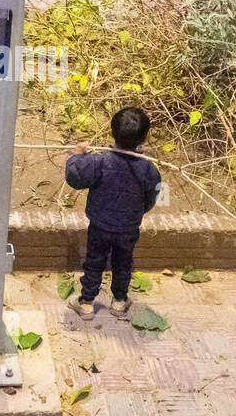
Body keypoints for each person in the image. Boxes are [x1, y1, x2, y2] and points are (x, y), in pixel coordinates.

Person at [64, 107, 162, 320]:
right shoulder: (148, 170)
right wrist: (137, 212)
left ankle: (87, 303)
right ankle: (119, 301)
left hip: (100, 225)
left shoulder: (99, 162)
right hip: (128, 227)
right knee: (123, 262)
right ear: (144, 138)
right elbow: (152, 198)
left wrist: (77, 156)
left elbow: (75, 177)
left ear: (112, 133)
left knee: (94, 261)